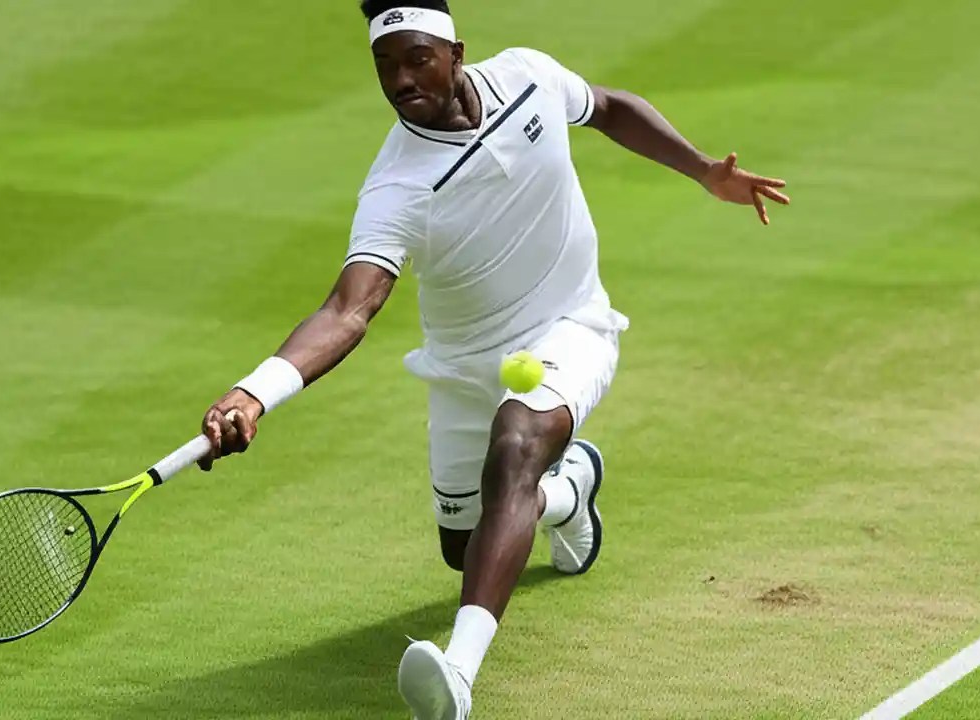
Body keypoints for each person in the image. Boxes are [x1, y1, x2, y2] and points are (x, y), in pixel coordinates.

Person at [196, 2, 790, 717]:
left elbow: (605, 107)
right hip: (461, 366)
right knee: (468, 546)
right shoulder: (397, 186)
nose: (402, 79)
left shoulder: (528, 77)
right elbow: (347, 310)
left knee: (516, 446)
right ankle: (570, 493)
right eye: (386, 64)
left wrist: (701, 171)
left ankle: (459, 670)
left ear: (456, 53)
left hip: (571, 323)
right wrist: (253, 393)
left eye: (417, 58)